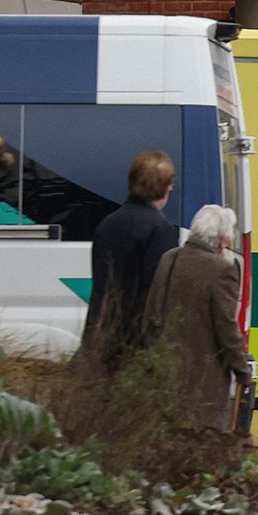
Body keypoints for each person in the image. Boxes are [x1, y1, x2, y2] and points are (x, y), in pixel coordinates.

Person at [146, 205, 250, 432]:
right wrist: (242, 371)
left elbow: (152, 310)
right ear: (222, 240)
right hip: (204, 381)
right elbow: (226, 327)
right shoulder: (223, 269)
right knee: (200, 444)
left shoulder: (169, 258)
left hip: (165, 374)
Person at [79, 150, 180, 369]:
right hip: (137, 343)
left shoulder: (108, 223)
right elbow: (157, 289)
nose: (171, 187)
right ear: (163, 187)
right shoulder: (161, 230)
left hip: (100, 334)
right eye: (169, 183)